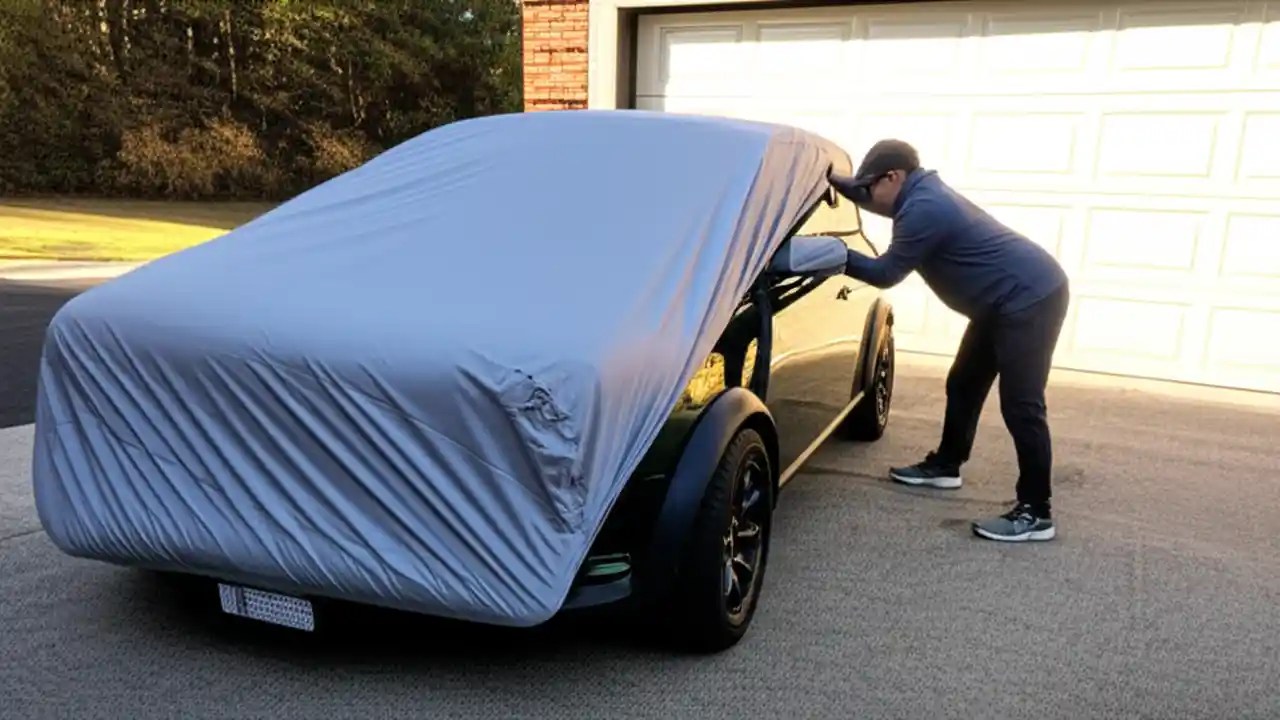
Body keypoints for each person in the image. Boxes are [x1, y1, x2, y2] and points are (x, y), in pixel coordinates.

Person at [829, 139, 1070, 543]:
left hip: (1030, 298)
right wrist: (832, 180)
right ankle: (946, 465)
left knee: (1022, 405)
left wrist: (833, 254)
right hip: (1001, 301)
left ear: (894, 177)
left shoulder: (924, 210)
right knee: (963, 383)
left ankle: (1036, 512)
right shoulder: (917, 192)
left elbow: (886, 273)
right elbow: (867, 195)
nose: (867, 198)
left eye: (870, 188)